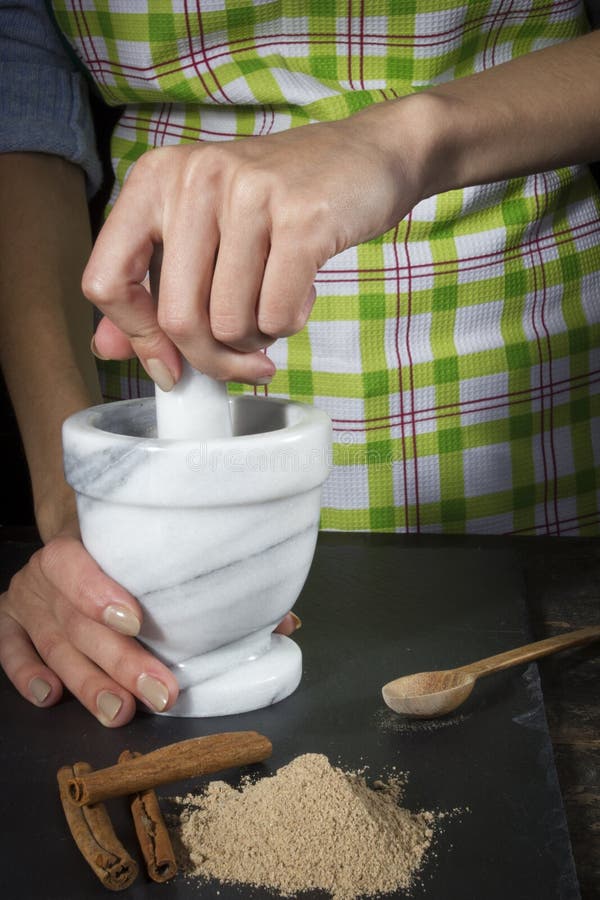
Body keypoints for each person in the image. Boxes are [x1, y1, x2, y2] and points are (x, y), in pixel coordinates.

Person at [0, 0, 598, 727]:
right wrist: (76, 515)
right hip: (150, 318)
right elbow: (18, 83)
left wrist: (405, 140)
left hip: (522, 388)